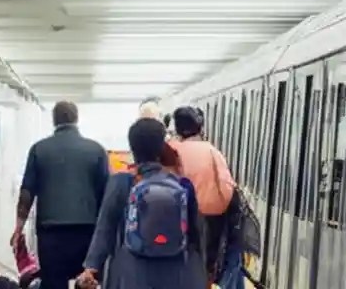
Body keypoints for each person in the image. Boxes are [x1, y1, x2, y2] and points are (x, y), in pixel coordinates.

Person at [75, 118, 208, 289]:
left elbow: (105, 229)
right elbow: (197, 236)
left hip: (130, 273)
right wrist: (203, 273)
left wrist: (91, 268)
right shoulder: (183, 185)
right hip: (177, 273)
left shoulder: (121, 183)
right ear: (162, 147)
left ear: (133, 148)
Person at [13, 101, 110, 289]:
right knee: (87, 283)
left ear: (54, 120)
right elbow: (106, 195)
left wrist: (18, 229)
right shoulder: (96, 150)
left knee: (53, 282)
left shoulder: (39, 149)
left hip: (51, 234)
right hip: (87, 232)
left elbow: (27, 193)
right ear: (76, 119)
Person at [171, 106, 237, 284]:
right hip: (210, 217)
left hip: (176, 217)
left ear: (177, 129)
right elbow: (227, 185)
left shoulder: (171, 151)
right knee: (206, 264)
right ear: (200, 127)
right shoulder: (212, 152)